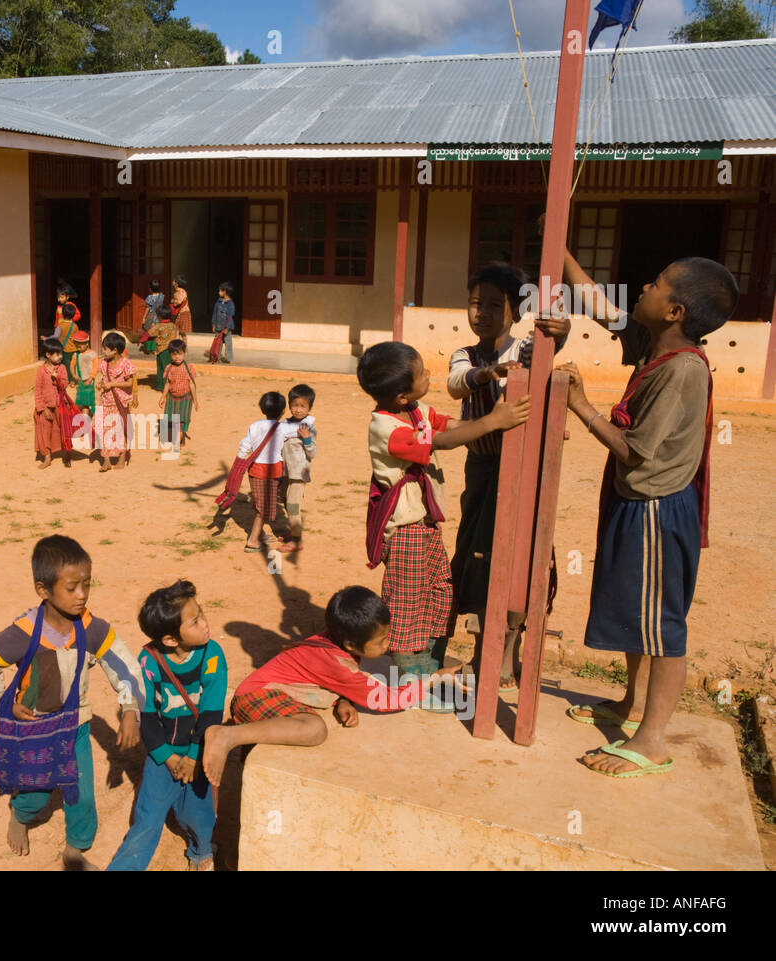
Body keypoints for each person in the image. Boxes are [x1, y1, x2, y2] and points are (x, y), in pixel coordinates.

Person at [557, 248, 736, 778]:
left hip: (659, 510)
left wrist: (581, 405)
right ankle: (630, 703)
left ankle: (652, 740)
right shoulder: (653, 344)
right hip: (636, 504)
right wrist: (561, 248)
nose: (642, 289)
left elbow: (634, 450)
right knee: (636, 613)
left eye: (656, 284)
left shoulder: (681, 371)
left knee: (661, 625)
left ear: (676, 311)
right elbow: (599, 304)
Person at [356, 341, 528, 697]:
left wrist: (489, 416)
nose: (429, 375)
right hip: (405, 529)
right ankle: (410, 675)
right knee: (408, 596)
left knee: (438, 587)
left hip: (424, 524)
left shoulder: (413, 411)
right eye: (422, 373)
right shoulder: (386, 429)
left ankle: (428, 660)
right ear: (401, 395)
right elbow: (444, 440)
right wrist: (493, 421)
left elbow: (449, 423)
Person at [0, 535, 145, 869]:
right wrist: (3, 705)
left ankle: (75, 849)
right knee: (36, 795)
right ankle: (20, 816)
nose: (82, 594)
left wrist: (129, 709)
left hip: (75, 726)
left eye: (87, 584)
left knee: (80, 793)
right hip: (33, 730)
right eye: (71, 587)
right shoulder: (23, 634)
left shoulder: (93, 630)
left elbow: (125, 667)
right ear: (44, 590)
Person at [446, 263, 570, 692]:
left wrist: (561, 333)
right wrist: (490, 374)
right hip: (481, 471)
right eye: (476, 303)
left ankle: (507, 656)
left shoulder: (525, 349)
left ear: (516, 312)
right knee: (479, 556)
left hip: (520, 473)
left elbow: (547, 357)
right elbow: (457, 384)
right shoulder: (467, 355)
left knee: (516, 555)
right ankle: (484, 654)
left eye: (494, 305)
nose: (481, 312)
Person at [201, 586, 460, 786]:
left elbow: (320, 680)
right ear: (350, 645)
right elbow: (385, 700)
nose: (387, 645)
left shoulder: (331, 641)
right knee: (314, 729)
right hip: (256, 697)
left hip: (266, 693)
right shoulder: (337, 662)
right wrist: (434, 678)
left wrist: (342, 700)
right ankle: (227, 735)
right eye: (381, 641)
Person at [107, 580, 226, 871]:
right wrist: (168, 757)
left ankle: (201, 850)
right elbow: (147, 715)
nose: (205, 623)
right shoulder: (149, 661)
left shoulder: (212, 657)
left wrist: (194, 756)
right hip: (164, 752)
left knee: (196, 814)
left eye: (202, 614)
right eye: (195, 621)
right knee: (147, 818)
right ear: (171, 639)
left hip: (199, 751)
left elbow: (211, 715)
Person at [234, 392, 310, 553]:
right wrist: (308, 415)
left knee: (258, 502)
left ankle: (259, 534)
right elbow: (301, 428)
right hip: (272, 472)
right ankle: (253, 541)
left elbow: (244, 445)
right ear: (283, 411)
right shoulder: (282, 428)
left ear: (262, 409)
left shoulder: (254, 425)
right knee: (264, 509)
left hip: (254, 470)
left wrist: (239, 463)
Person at [278, 384, 318, 554]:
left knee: (293, 505)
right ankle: (293, 530)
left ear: (309, 407)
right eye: (295, 405)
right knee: (286, 502)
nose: (298, 410)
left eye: (302, 406)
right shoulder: (285, 424)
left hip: (299, 473)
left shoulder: (308, 428)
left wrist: (307, 439)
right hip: (285, 471)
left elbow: (312, 453)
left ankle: (297, 540)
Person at [93, 332, 136, 471]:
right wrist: (101, 384)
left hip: (119, 404)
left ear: (115, 350)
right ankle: (106, 460)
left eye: (105, 349)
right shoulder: (104, 364)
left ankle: (121, 458)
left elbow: (130, 383)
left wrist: (113, 384)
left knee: (118, 431)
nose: (103, 351)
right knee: (101, 429)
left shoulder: (126, 364)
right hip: (105, 402)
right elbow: (104, 379)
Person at [34, 336, 75, 469]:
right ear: (47, 355)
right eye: (57, 354)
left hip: (60, 406)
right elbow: (38, 391)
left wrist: (56, 379)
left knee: (64, 431)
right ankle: (47, 457)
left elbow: (64, 385)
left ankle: (67, 454)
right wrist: (42, 408)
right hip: (46, 407)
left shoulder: (62, 368)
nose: (60, 356)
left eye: (61, 353)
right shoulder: (41, 371)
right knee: (45, 432)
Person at [158, 339, 198, 451]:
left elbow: (192, 385)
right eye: (174, 354)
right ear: (170, 354)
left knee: (182, 420)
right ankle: (181, 438)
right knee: (171, 420)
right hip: (171, 398)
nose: (177, 357)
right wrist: (162, 397)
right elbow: (167, 384)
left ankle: (178, 440)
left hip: (186, 398)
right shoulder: (168, 368)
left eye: (180, 354)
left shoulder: (188, 367)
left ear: (185, 353)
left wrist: (195, 400)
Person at [66, 330, 98, 451]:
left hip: (89, 382)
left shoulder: (93, 354)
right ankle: (83, 421)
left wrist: (91, 377)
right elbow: (72, 365)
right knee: (79, 402)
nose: (78, 347)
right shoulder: (76, 355)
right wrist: (73, 374)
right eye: (76, 344)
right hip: (80, 382)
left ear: (86, 343)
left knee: (87, 403)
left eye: (80, 344)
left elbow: (95, 367)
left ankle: (85, 424)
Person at [149, 304, 179, 392]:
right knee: (169, 368)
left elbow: (149, 334)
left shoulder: (159, 326)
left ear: (159, 316)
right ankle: (169, 385)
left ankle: (163, 386)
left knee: (162, 368)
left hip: (161, 350)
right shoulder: (173, 325)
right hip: (172, 349)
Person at [209, 281, 236, 364]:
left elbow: (230, 317)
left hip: (226, 328)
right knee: (218, 343)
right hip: (218, 327)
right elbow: (214, 314)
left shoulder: (230, 304)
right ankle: (217, 357)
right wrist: (213, 324)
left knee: (228, 344)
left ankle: (230, 359)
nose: (219, 292)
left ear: (225, 292)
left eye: (220, 290)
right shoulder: (218, 302)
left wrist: (227, 328)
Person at [141, 280, 165, 355]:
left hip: (151, 316)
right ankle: (155, 350)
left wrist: (144, 318)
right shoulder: (161, 296)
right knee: (156, 333)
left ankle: (149, 349)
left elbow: (147, 309)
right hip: (159, 316)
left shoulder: (149, 298)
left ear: (150, 288)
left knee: (149, 333)